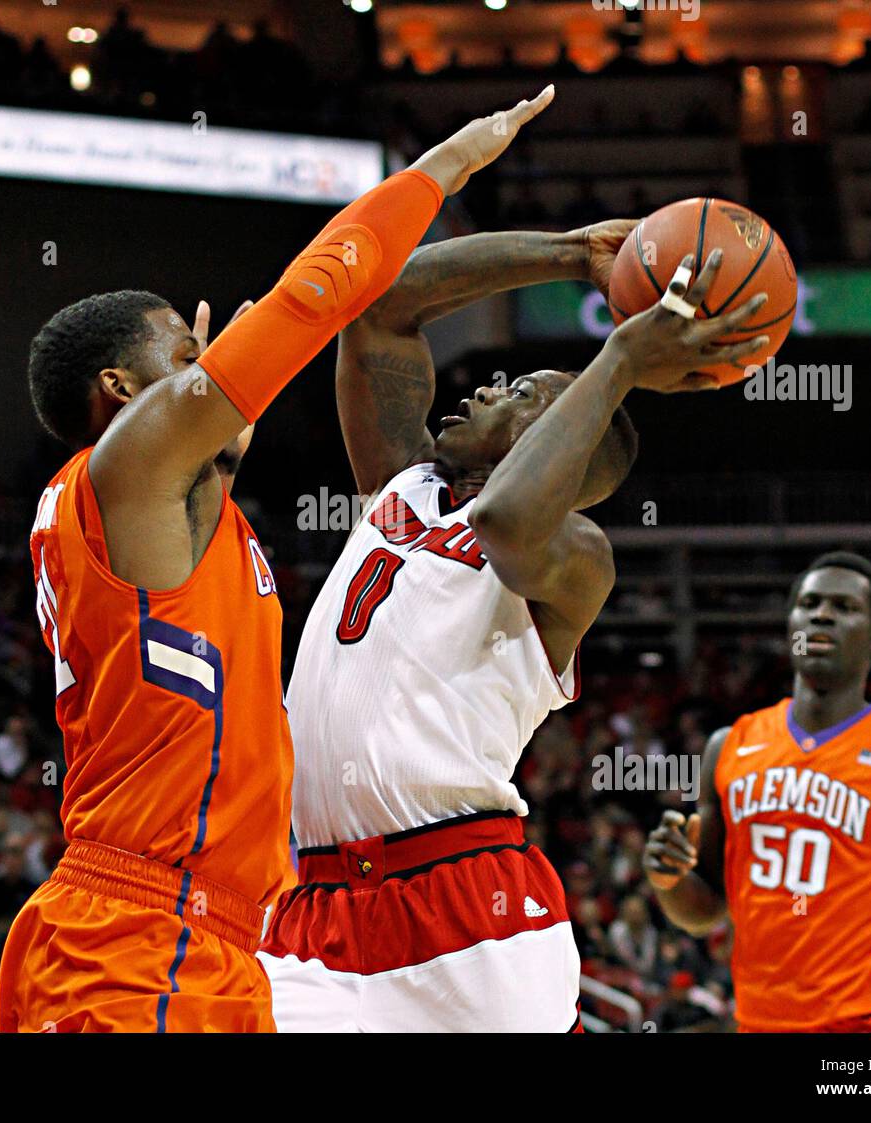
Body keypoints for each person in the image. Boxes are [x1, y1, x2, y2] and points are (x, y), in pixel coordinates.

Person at [0, 88, 559, 1033]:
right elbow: (316, 296)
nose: (210, 362)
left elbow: (209, 456)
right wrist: (448, 164)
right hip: (137, 935)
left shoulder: (165, 507)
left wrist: (215, 434)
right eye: (187, 355)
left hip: (218, 935)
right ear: (122, 389)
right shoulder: (126, 463)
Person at [258, 223, 772, 1029]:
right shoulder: (406, 482)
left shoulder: (576, 555)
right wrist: (568, 256)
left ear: (560, 437)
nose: (485, 389)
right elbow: (382, 309)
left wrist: (623, 361)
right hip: (317, 903)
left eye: (521, 394)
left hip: (465, 899)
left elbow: (505, 519)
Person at [644, 552, 871, 1032]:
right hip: (762, 1024)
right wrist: (669, 881)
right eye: (808, 603)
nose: (822, 615)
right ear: (790, 623)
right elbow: (704, 912)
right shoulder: (728, 747)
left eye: (844, 606)